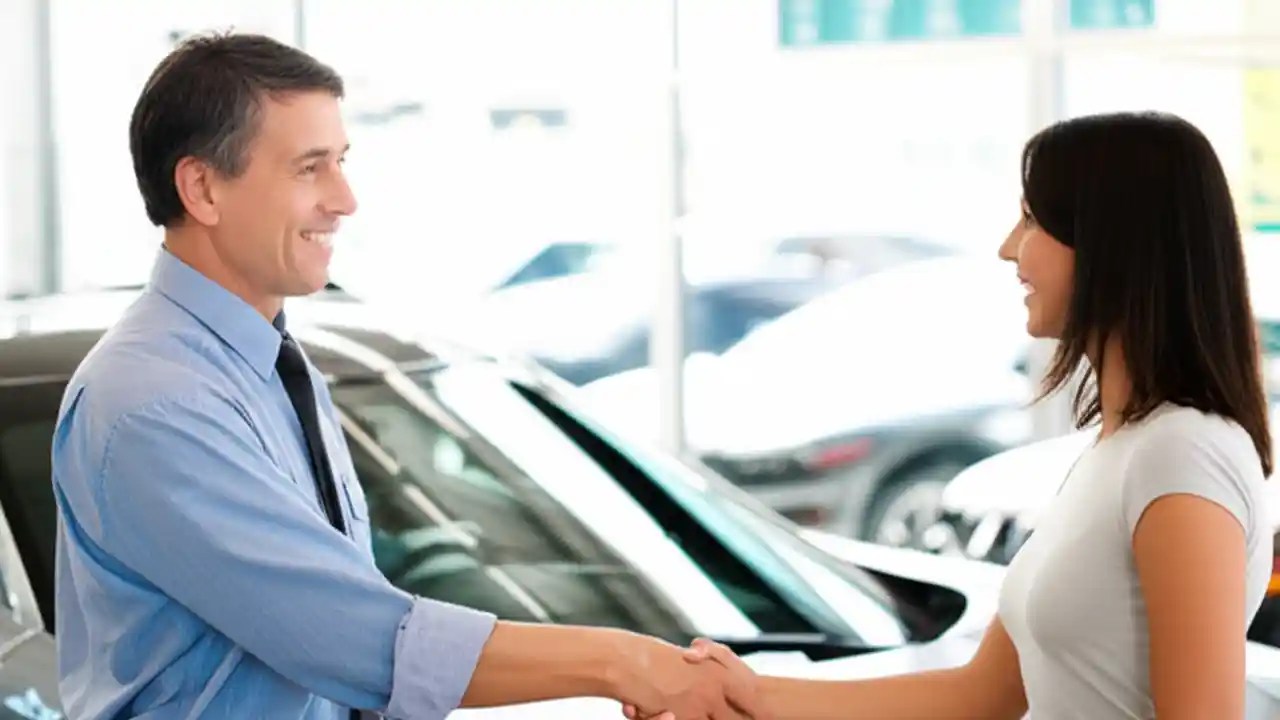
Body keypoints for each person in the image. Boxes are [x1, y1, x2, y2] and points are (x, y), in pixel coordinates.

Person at [51, 31, 765, 720]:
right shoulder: (153, 403)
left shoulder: (268, 370)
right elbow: (352, 637)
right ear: (202, 189)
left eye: (341, 160)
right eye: (310, 167)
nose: (345, 198)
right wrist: (621, 662)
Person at [641, 112, 1276, 718]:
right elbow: (979, 697)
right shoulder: (1119, 450)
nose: (1007, 248)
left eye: (1031, 220)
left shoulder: (1183, 452)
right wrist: (748, 695)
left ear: (1112, 243)